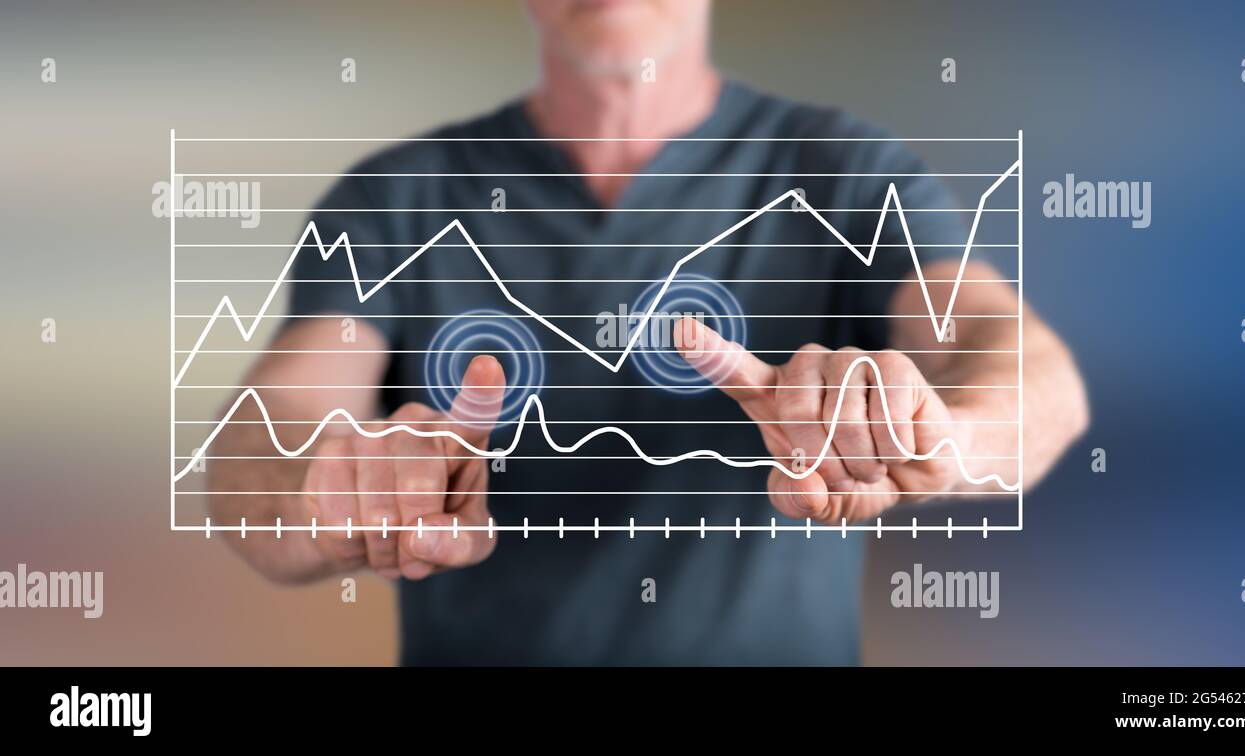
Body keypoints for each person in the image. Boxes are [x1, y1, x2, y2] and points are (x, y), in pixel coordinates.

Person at [208, 0, 1087, 664]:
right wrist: (329, 487)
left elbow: (1025, 370)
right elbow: (265, 435)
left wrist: (942, 433)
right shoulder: (397, 199)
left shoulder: (847, 174)